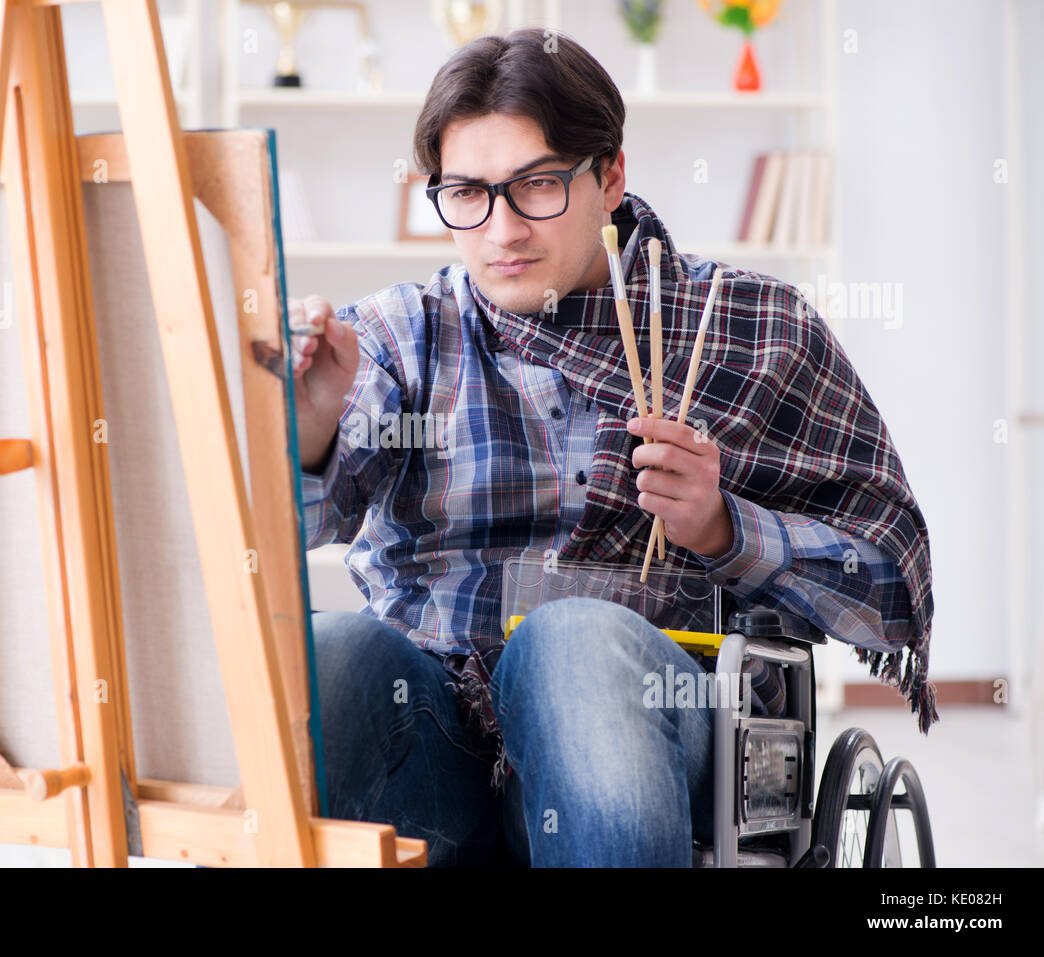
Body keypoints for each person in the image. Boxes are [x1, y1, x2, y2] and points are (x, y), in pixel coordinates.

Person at [289, 29, 935, 867]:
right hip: (439, 752)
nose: (501, 230)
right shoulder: (400, 334)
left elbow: (890, 575)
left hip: (657, 730)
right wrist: (307, 427)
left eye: (537, 186)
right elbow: (273, 543)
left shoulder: (753, 326)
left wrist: (723, 528)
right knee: (328, 651)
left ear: (612, 176)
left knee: (574, 643)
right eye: (467, 194)